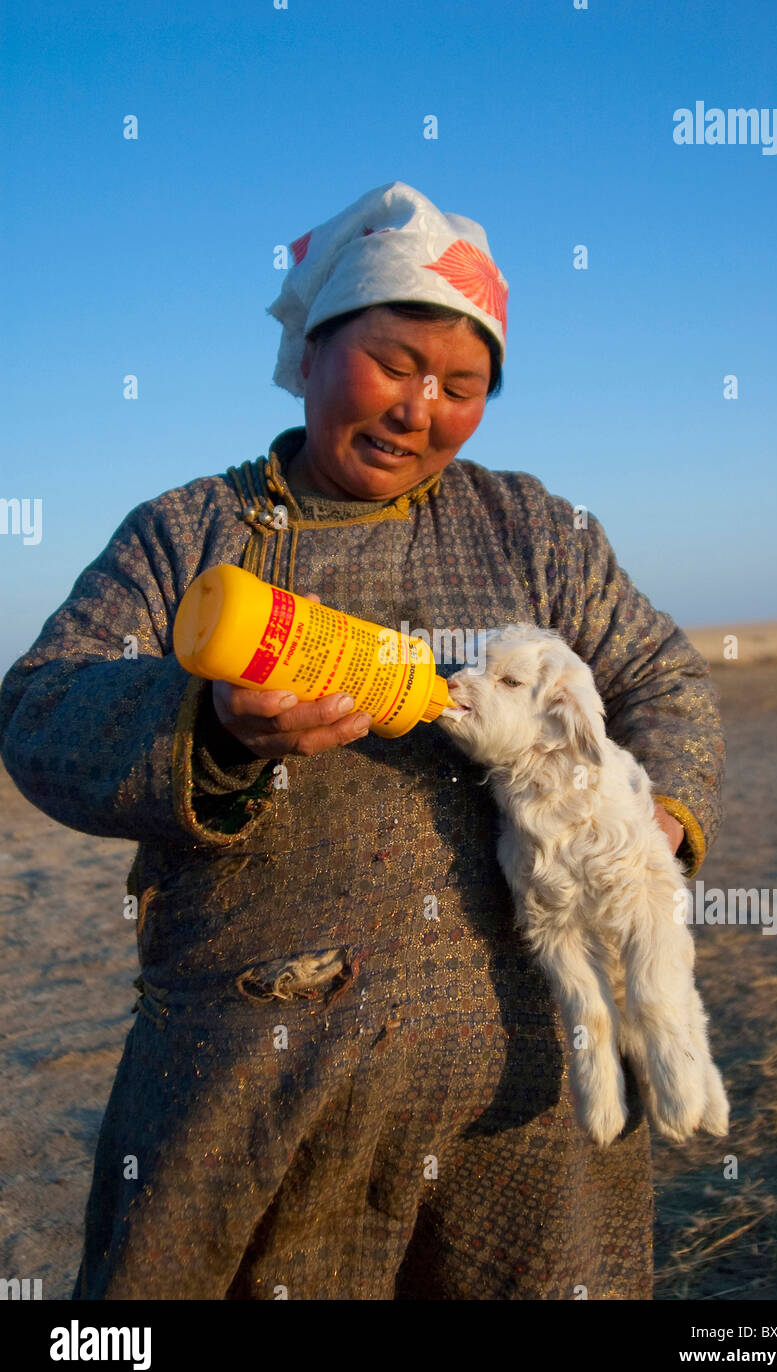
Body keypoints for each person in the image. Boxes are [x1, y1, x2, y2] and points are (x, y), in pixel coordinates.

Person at [0, 181, 724, 1300]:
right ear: (318, 347)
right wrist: (209, 724)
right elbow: (42, 708)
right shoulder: (192, 532)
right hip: (253, 1081)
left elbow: (661, 677)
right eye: (393, 362)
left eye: (462, 384)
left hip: (528, 1095)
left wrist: (654, 824)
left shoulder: (535, 530)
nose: (420, 408)